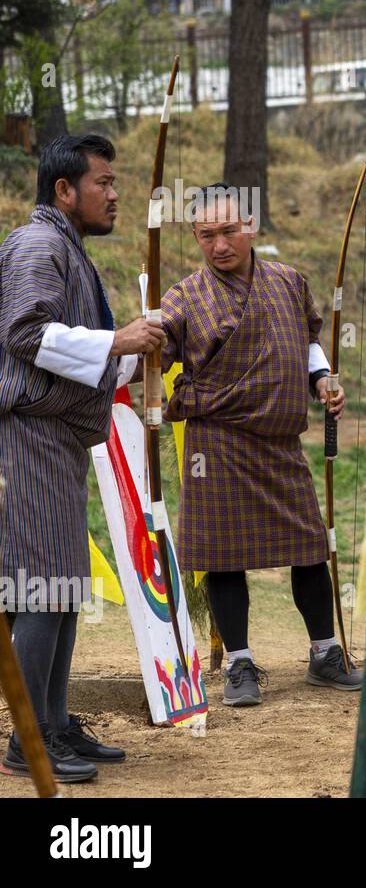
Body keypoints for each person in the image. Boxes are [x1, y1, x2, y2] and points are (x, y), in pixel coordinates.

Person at [160, 183, 362, 706]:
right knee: (224, 556)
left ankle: (323, 653)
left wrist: (321, 380)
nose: (219, 245)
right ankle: (240, 664)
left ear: (250, 227)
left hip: (279, 440)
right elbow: (154, 357)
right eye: (206, 236)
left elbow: (308, 340)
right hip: (216, 440)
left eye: (229, 231)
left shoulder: (289, 282)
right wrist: (144, 351)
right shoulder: (183, 297)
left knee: (309, 547)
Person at [0, 134, 158, 782]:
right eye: (104, 182)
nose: (114, 193)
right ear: (65, 190)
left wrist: (134, 353)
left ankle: (55, 722)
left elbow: (82, 350)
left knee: (62, 585)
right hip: (28, 437)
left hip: (56, 439)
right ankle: (26, 739)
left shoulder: (64, 248)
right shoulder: (38, 245)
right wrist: (121, 339)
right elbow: (25, 333)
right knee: (41, 586)